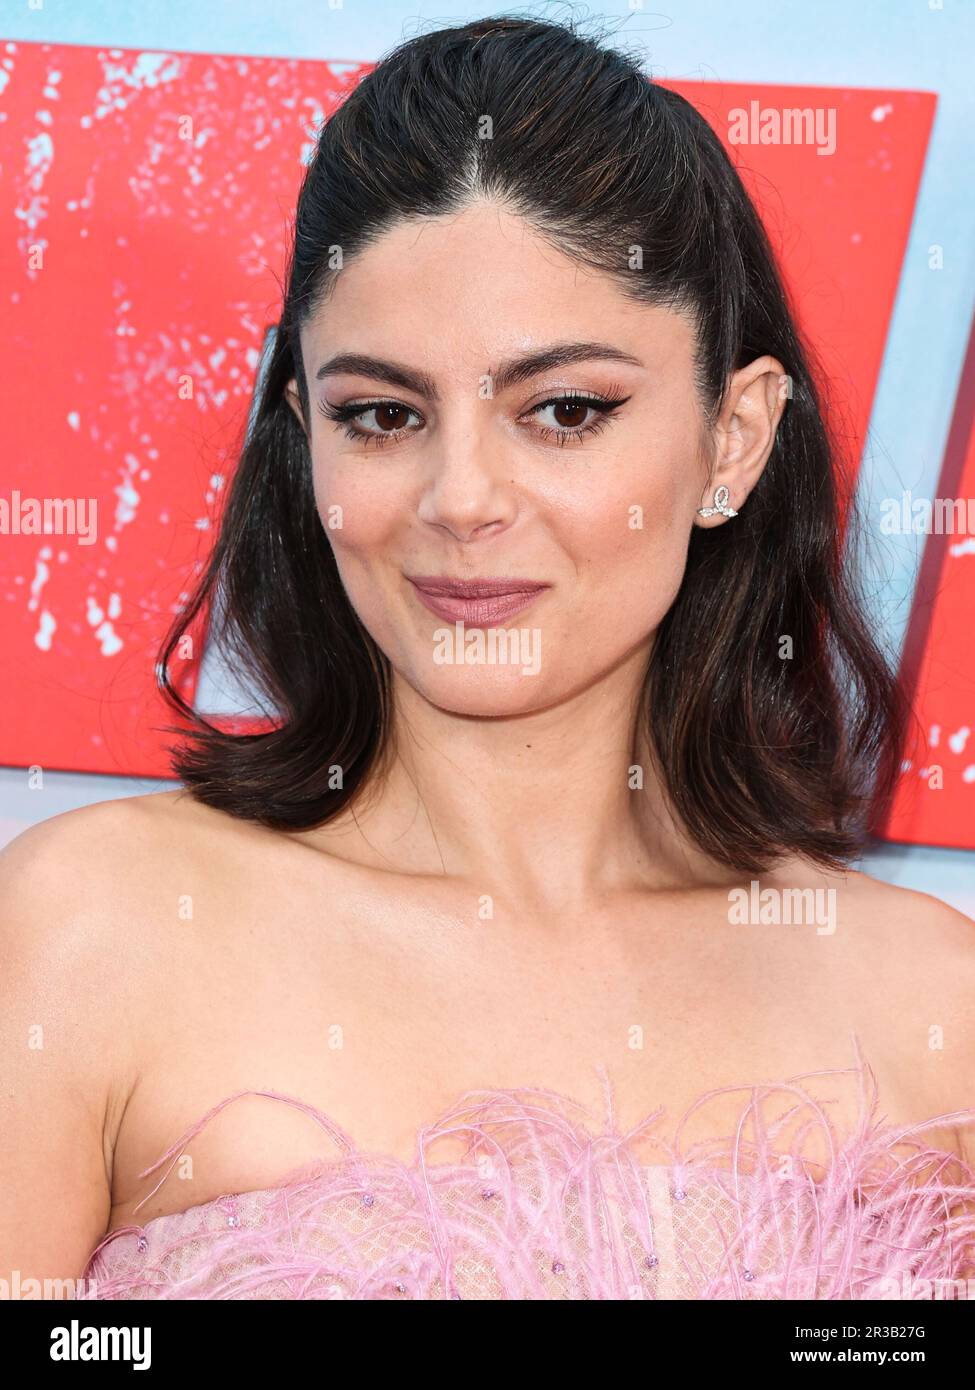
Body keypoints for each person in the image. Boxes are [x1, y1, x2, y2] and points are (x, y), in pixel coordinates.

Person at [2, 15, 973, 1301]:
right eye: (383, 414)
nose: (460, 497)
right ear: (308, 437)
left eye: (564, 410)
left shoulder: (926, 1001)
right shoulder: (92, 927)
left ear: (733, 440)